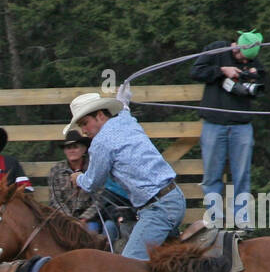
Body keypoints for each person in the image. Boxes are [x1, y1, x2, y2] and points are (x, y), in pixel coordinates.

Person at [67, 91, 185, 260]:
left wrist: (77, 178)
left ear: (100, 115)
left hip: (158, 208)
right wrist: (123, 99)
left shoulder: (100, 143)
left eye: (85, 123)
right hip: (173, 198)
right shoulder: (125, 120)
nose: (84, 131)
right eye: (81, 126)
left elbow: (92, 182)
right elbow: (124, 107)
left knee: (130, 264)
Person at [190, 30, 266, 228]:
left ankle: (241, 220)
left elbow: (263, 83)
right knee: (212, 176)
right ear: (237, 45)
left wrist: (252, 77)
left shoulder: (252, 61)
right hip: (214, 124)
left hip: (242, 126)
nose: (242, 61)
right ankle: (215, 219)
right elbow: (196, 71)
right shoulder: (217, 50)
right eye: (241, 57)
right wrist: (222, 71)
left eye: (247, 60)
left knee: (242, 175)